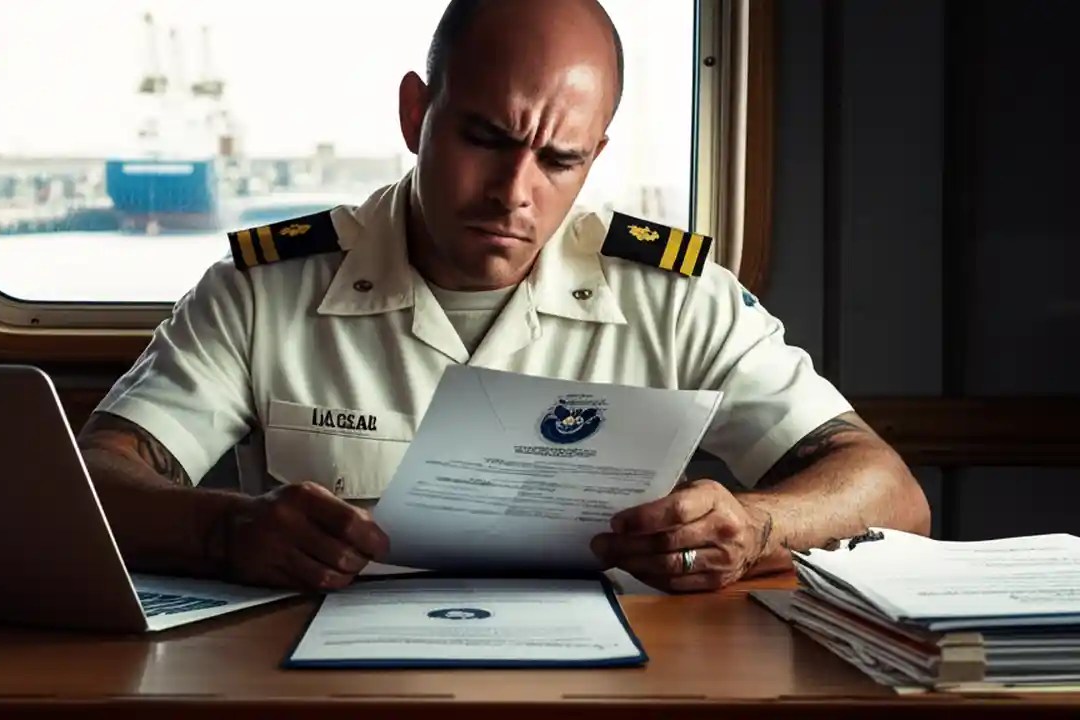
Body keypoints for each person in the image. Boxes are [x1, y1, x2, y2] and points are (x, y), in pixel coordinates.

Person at [78, 0, 930, 594]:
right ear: (417, 114)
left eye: (559, 159)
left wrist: (752, 526)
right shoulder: (263, 290)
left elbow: (888, 490)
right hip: (327, 692)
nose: (514, 192)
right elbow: (93, 481)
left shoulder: (675, 296)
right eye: (485, 138)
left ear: (595, 156)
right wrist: (227, 531)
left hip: (609, 693)